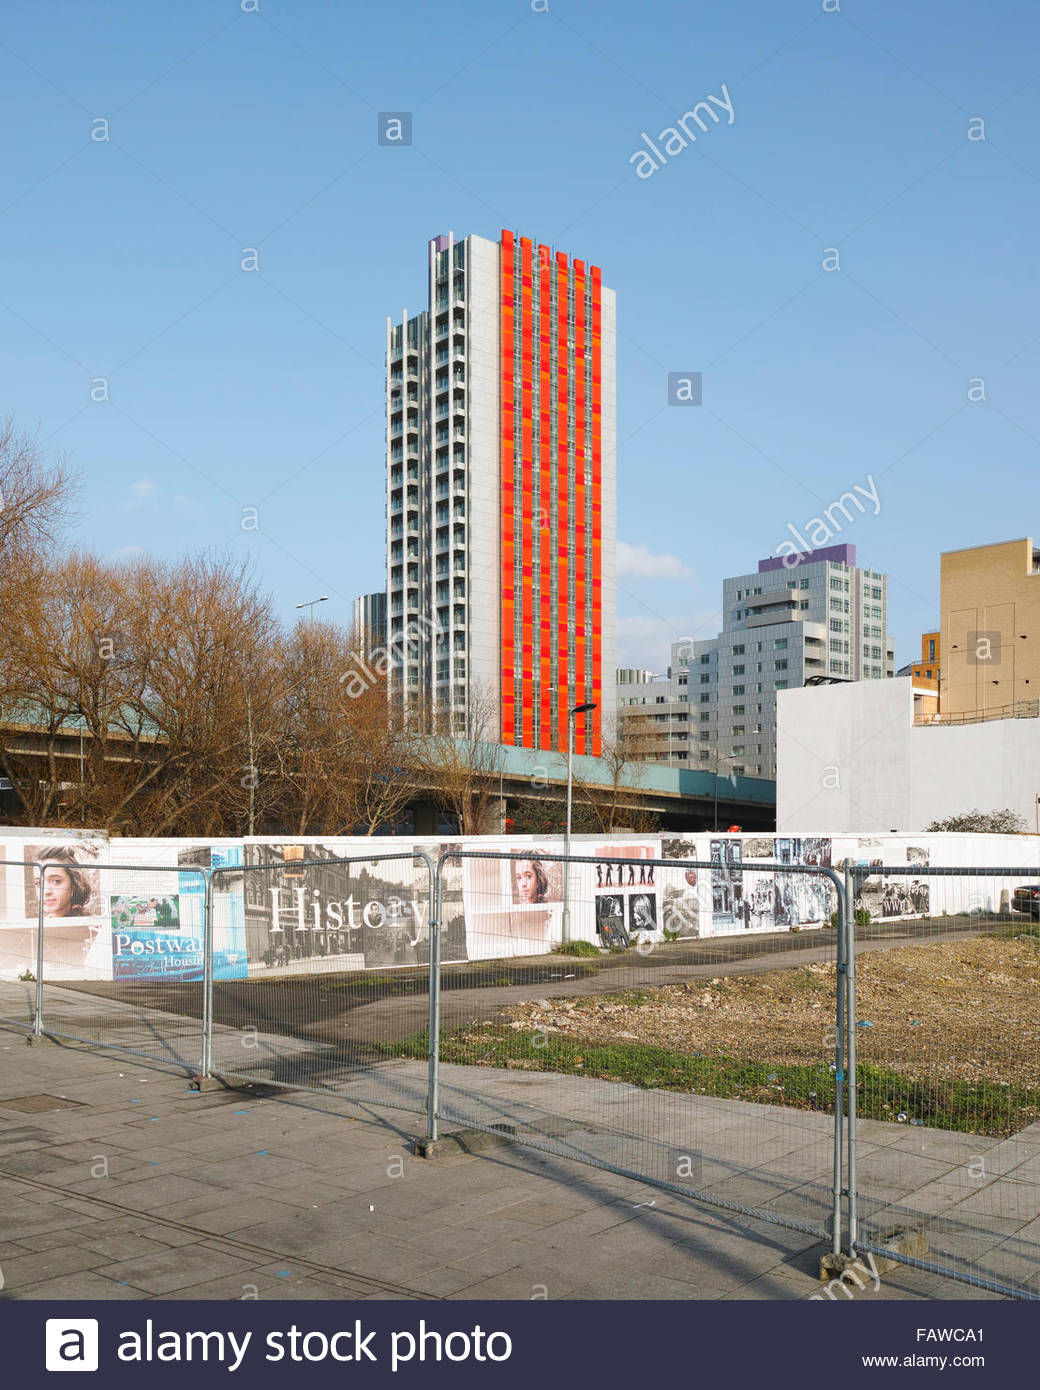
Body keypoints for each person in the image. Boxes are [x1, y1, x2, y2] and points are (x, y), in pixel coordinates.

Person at [31, 850, 95, 918]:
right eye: (39, 883)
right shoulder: (36, 925)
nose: (45, 891)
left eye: (56, 881)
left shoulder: (91, 924)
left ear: (74, 885)